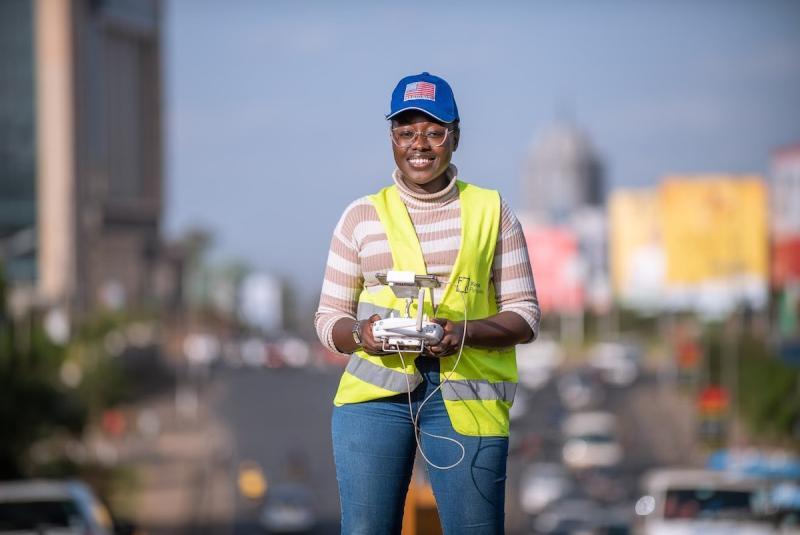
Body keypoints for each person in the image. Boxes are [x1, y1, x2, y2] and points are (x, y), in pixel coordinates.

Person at [314, 72, 540, 534]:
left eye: (434, 132)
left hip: (468, 397)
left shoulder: (492, 211)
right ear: (392, 139)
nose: (420, 144)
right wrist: (362, 334)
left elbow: (526, 314)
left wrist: (464, 333)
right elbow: (327, 318)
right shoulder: (361, 216)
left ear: (455, 137)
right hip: (375, 401)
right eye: (406, 132)